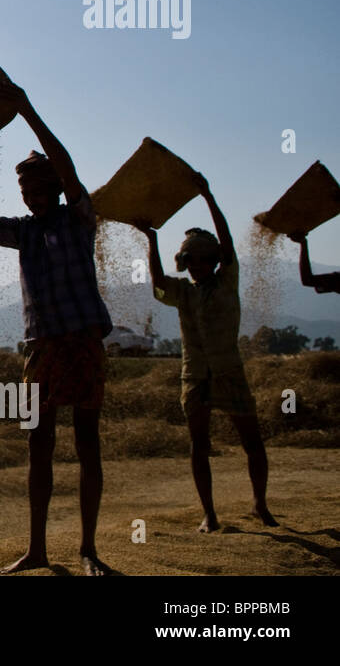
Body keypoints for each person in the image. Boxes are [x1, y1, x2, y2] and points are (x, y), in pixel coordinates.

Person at [0, 80, 114, 576]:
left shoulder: (79, 219)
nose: (33, 197)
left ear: (57, 189)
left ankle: (87, 549)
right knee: (39, 448)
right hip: (42, 351)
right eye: (25, 191)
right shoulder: (27, 231)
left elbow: (68, 165)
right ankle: (37, 549)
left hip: (81, 344)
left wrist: (27, 110)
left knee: (87, 444)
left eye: (40, 189)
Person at [134, 173, 276, 533]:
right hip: (194, 375)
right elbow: (157, 285)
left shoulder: (228, 280)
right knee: (199, 444)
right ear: (184, 262)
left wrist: (208, 197)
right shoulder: (184, 292)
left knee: (252, 442)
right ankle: (209, 513)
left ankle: (260, 503)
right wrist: (151, 239)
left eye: (202, 258)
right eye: (190, 259)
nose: (196, 264)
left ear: (214, 259)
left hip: (229, 371)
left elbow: (227, 241)